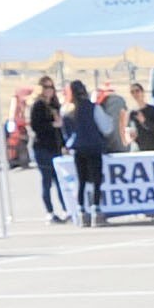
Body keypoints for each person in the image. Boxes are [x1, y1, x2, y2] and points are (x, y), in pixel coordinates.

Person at [61, 80, 107, 228]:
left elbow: (66, 134)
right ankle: (96, 210)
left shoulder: (66, 111)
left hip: (78, 148)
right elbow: (106, 127)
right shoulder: (93, 108)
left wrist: (70, 144)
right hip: (93, 145)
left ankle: (81, 210)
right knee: (96, 179)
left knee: (81, 180)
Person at [28, 78, 68, 223]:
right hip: (42, 148)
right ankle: (50, 212)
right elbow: (35, 126)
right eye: (46, 87)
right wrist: (52, 124)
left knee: (59, 180)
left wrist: (64, 144)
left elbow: (60, 128)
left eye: (51, 87)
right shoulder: (38, 105)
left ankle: (66, 209)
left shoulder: (54, 104)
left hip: (55, 147)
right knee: (47, 180)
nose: (49, 90)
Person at [127, 83, 154, 152]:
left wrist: (144, 121)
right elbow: (132, 129)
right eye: (132, 92)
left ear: (142, 92)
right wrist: (131, 135)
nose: (135, 94)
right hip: (140, 148)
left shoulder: (153, 110)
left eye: (137, 91)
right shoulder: (132, 113)